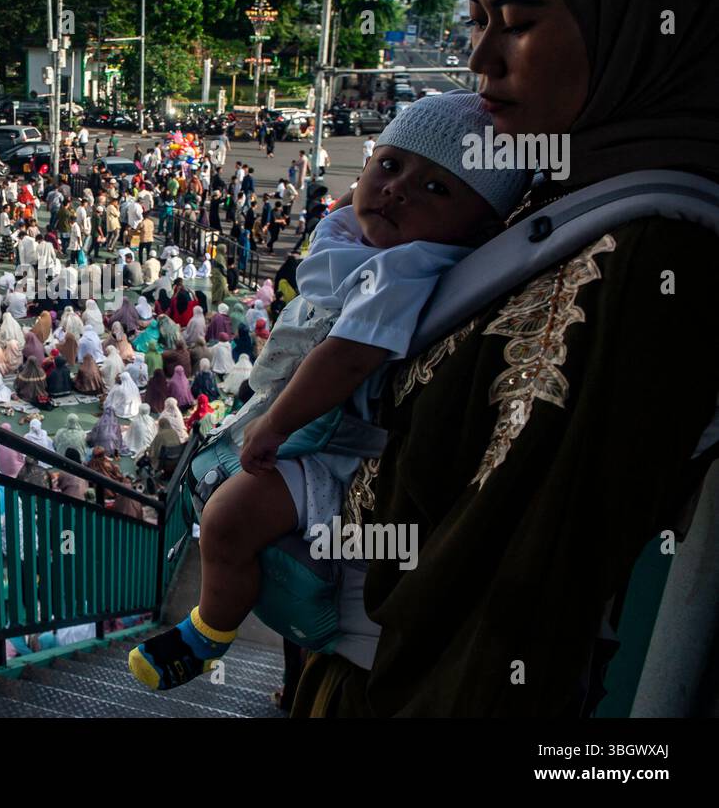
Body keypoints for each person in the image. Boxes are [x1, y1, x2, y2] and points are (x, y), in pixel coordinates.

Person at [285, 0, 719, 718]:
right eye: (478, 17)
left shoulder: (648, 259)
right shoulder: (560, 195)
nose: (480, 57)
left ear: (634, 17)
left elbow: (523, 592)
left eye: (518, 20)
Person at [129, 90, 528, 691]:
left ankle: (208, 632)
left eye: (436, 189)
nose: (397, 190)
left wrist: (275, 425)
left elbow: (342, 360)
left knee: (226, 519)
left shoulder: (402, 270)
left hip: (327, 443)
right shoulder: (369, 231)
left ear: (479, 225)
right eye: (389, 167)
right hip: (308, 423)